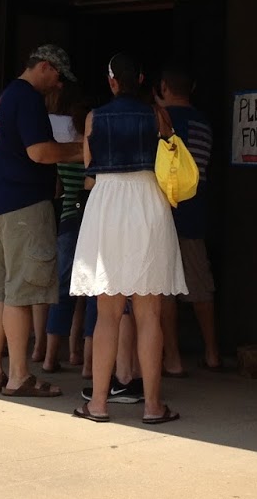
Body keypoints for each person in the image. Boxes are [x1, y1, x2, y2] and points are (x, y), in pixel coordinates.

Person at [71, 53, 186, 425]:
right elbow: (170, 158)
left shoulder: (93, 118)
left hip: (106, 204)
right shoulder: (156, 116)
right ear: (140, 79)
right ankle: (153, 406)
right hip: (148, 203)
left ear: (112, 82)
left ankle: (99, 404)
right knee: (149, 313)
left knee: (108, 314)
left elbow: (90, 168)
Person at [0, 45, 82, 398]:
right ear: (44, 67)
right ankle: (20, 375)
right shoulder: (27, 99)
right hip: (24, 209)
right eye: (57, 76)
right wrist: (82, 149)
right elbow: (39, 152)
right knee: (21, 295)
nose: (58, 85)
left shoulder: (5, 97)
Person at [157, 64, 221, 374]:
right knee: (200, 285)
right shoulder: (204, 123)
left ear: (164, 87)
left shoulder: (164, 120)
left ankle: (173, 359)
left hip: (165, 212)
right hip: (196, 210)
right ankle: (212, 353)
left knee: (167, 289)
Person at [42, 83, 91, 374]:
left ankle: (49, 356)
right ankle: (84, 360)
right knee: (95, 290)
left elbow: (59, 187)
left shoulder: (64, 147)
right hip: (92, 217)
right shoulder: (95, 145)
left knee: (62, 288)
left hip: (68, 217)